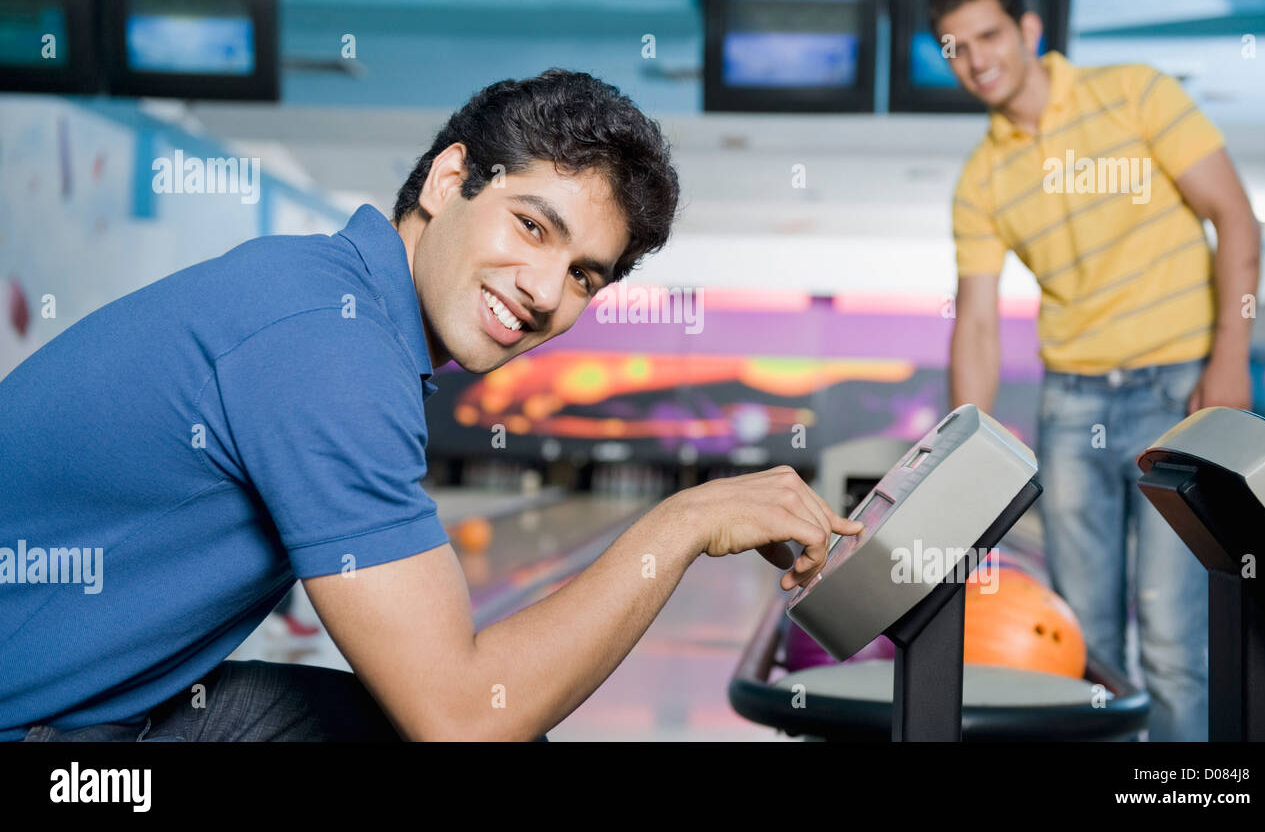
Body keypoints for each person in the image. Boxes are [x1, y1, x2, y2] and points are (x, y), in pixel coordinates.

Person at [0, 70, 862, 742]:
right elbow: (462, 717)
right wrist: (681, 521)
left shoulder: (329, 297)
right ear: (452, 178)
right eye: (533, 225)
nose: (543, 292)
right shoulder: (329, 346)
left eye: (583, 277)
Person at [935, 0, 1260, 741]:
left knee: (1174, 637)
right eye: (955, 48)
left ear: (1029, 31)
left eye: (988, 36)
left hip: (1177, 392)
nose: (976, 59)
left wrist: (1231, 361)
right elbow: (977, 322)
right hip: (1073, 405)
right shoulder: (982, 178)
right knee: (1087, 640)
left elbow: (1235, 218)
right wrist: (965, 444)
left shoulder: (1136, 93)